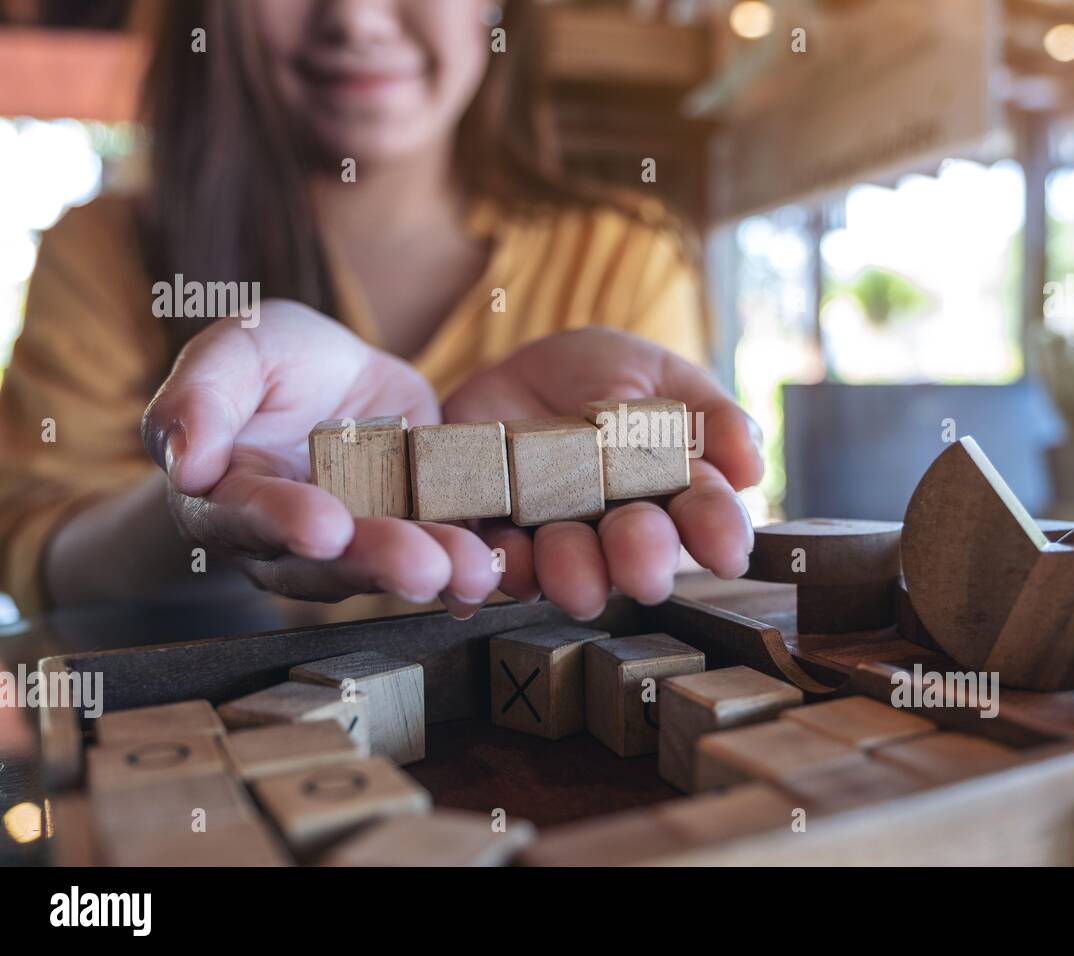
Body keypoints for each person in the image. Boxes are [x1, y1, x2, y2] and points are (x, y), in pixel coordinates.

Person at [0, 0, 760, 624]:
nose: (357, 19)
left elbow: (658, 562)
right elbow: (38, 560)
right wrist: (196, 508)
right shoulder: (101, 247)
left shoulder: (625, 256)